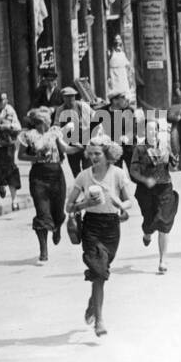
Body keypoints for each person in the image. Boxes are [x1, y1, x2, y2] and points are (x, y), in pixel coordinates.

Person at [66, 142, 132, 337]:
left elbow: (130, 202)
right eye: (91, 154)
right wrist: (85, 203)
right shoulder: (84, 176)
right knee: (99, 272)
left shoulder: (118, 174)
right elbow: (68, 207)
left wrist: (120, 203)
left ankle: (92, 304)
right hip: (91, 226)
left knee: (101, 273)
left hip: (112, 227)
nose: (93, 157)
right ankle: (100, 321)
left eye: (98, 154)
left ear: (108, 155)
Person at [17, 108, 71, 263]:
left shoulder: (54, 133)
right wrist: (36, 157)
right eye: (46, 120)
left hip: (56, 175)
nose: (48, 123)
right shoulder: (27, 136)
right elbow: (20, 155)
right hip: (38, 177)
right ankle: (43, 251)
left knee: (58, 211)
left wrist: (81, 148)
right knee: (42, 212)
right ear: (40, 122)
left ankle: (57, 226)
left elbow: (65, 149)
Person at [129, 118, 179, 274]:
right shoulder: (140, 149)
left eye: (155, 131)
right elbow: (133, 171)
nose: (153, 134)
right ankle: (147, 233)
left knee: (164, 223)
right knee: (150, 222)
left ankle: (163, 260)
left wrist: (174, 162)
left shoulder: (165, 147)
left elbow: (172, 167)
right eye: (149, 131)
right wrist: (145, 180)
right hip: (146, 191)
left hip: (164, 187)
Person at [57, 86, 95, 176]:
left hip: (86, 140)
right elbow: (56, 125)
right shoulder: (60, 109)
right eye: (67, 97)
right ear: (63, 98)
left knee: (88, 168)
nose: (70, 99)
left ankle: (87, 187)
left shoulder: (82, 106)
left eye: (72, 96)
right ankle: (80, 186)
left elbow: (94, 116)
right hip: (71, 142)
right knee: (75, 170)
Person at [100, 90, 142, 168]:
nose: (126, 99)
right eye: (122, 97)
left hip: (129, 147)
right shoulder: (103, 111)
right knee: (116, 174)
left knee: (135, 174)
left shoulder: (129, 110)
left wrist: (127, 137)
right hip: (113, 148)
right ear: (114, 100)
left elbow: (134, 128)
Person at [106, 34, 136, 103]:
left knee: (124, 92)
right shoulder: (110, 51)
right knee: (115, 92)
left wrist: (130, 69)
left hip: (122, 74)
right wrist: (108, 76)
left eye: (119, 39)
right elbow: (107, 64)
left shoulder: (122, 52)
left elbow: (126, 63)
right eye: (116, 39)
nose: (117, 41)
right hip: (114, 73)